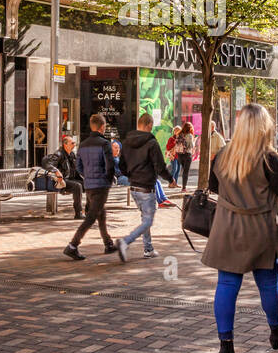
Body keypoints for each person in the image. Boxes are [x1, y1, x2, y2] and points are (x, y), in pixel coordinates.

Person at [203, 103, 278, 353]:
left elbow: (213, 186)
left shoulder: (223, 155)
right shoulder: (270, 158)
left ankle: (226, 349)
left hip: (228, 227)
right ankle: (277, 330)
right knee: (268, 283)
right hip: (262, 228)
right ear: (264, 127)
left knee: (226, 284)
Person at [116, 112, 176, 262]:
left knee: (145, 218)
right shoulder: (152, 143)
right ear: (149, 125)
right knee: (148, 221)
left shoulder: (127, 142)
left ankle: (148, 249)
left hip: (134, 188)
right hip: (146, 187)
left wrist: (130, 175)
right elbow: (160, 166)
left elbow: (121, 165)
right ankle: (125, 242)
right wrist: (170, 179)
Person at [62, 116, 117, 260]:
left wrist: (87, 176)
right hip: (101, 184)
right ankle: (73, 245)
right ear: (102, 127)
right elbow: (110, 165)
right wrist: (108, 180)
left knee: (100, 213)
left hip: (89, 184)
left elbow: (78, 167)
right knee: (92, 216)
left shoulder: (83, 144)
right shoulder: (105, 144)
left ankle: (108, 243)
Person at [42, 134, 85, 220]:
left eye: (75, 143)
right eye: (72, 143)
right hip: (62, 181)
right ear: (65, 144)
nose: (74, 145)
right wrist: (56, 171)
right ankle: (78, 213)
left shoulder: (72, 154)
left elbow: (77, 168)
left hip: (72, 179)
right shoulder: (58, 154)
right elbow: (47, 164)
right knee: (77, 186)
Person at [174, 123, 196, 190]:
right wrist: (194, 141)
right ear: (190, 128)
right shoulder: (189, 135)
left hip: (180, 155)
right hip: (187, 155)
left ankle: (183, 186)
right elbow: (190, 146)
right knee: (186, 172)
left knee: (184, 171)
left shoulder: (179, 134)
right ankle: (184, 187)